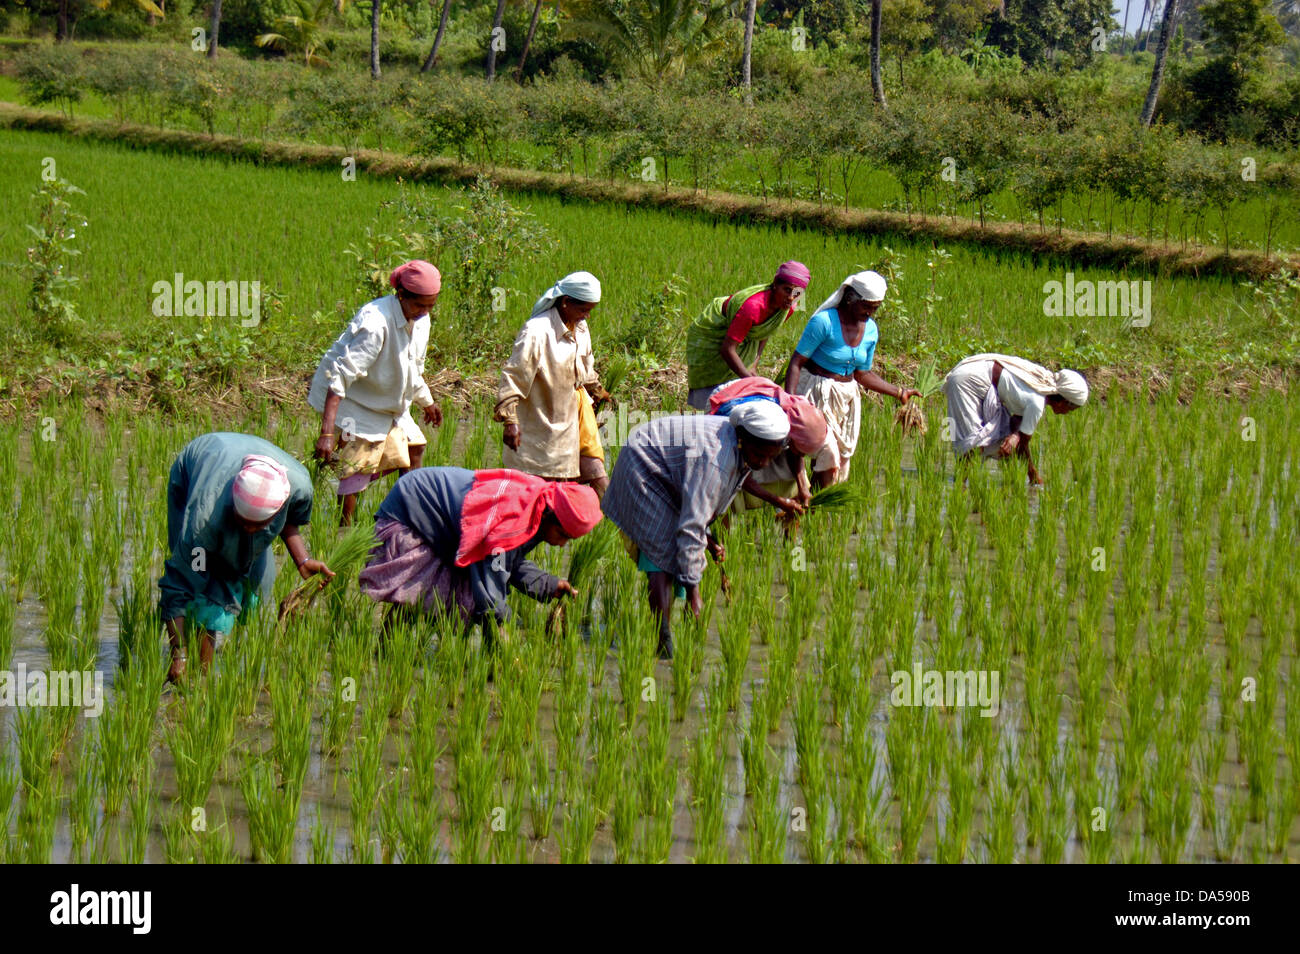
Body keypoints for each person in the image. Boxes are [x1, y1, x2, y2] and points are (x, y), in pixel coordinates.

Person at [601, 402, 790, 659]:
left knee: (676, 547)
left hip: (669, 470)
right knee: (661, 556)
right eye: (760, 455)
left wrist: (708, 539)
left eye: (771, 457)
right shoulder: (715, 459)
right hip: (643, 465)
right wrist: (694, 594)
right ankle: (662, 642)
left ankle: (666, 638)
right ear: (743, 440)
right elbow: (691, 525)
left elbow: (702, 503)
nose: (764, 463)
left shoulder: (742, 450)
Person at [159, 433, 334, 682]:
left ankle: (223, 651)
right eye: (243, 523)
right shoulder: (203, 521)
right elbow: (178, 583)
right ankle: (199, 671)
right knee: (202, 581)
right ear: (233, 506)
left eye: (258, 525)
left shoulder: (299, 488)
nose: (249, 531)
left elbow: (289, 518)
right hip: (198, 469)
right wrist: (179, 655)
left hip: (243, 472)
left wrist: (303, 560)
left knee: (258, 585)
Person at [358, 467, 602, 643]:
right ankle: (386, 655)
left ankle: (391, 653)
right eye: (563, 535)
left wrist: (548, 585)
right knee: (415, 594)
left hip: (441, 522)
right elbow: (491, 591)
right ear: (550, 515)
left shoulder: (537, 506)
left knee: (466, 595)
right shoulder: (515, 517)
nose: (561, 545)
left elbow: (507, 561)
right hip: (415, 510)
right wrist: (509, 634)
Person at [309, 260, 444, 526]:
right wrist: (326, 434)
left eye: (431, 305)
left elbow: (412, 365)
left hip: (389, 398)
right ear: (402, 295)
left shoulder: (422, 320)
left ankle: (405, 519)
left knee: (414, 448)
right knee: (356, 469)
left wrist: (427, 401)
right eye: (420, 305)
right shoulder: (376, 323)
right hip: (355, 401)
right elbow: (340, 378)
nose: (425, 312)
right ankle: (344, 527)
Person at [783, 270, 918, 487]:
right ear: (849, 298)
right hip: (817, 391)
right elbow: (796, 362)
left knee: (841, 461)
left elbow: (862, 373)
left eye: (875, 308)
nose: (870, 313)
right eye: (866, 306)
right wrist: (790, 402)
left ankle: (816, 505)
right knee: (828, 454)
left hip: (847, 396)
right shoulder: (823, 322)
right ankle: (813, 502)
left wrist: (899, 392)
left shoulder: (871, 330)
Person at [495, 271, 613, 497]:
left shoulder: (579, 327)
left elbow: (583, 366)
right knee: (534, 485)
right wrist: (510, 420)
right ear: (566, 302)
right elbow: (513, 376)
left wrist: (596, 389)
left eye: (590, 310)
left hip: (569, 416)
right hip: (540, 420)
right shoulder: (537, 332)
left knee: (563, 486)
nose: (587, 316)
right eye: (584, 310)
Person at [941, 354, 1089, 484]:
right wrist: (1032, 474)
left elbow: (1017, 422)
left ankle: (972, 481)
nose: (1068, 413)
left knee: (1002, 441)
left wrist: (1014, 436)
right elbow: (1022, 447)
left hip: (980, 380)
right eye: (1071, 408)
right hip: (968, 382)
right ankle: (959, 486)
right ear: (1063, 401)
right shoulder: (1037, 403)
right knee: (973, 442)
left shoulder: (1040, 385)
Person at [685, 261, 811, 410]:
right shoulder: (753, 307)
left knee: (735, 395)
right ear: (775, 284)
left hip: (740, 334)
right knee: (713, 392)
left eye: (797, 293)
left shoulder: (788, 308)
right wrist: (751, 381)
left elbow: (766, 331)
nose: (791, 298)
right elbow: (727, 349)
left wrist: (754, 364)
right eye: (787, 290)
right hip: (715, 334)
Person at [707, 376, 829, 516]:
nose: (801, 456)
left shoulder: (798, 418)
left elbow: (795, 454)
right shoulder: (747, 427)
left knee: (795, 475)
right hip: (728, 397)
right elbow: (739, 472)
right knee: (729, 479)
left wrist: (803, 488)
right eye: (800, 452)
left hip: (758, 395)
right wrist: (777, 501)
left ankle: (788, 529)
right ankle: (726, 529)